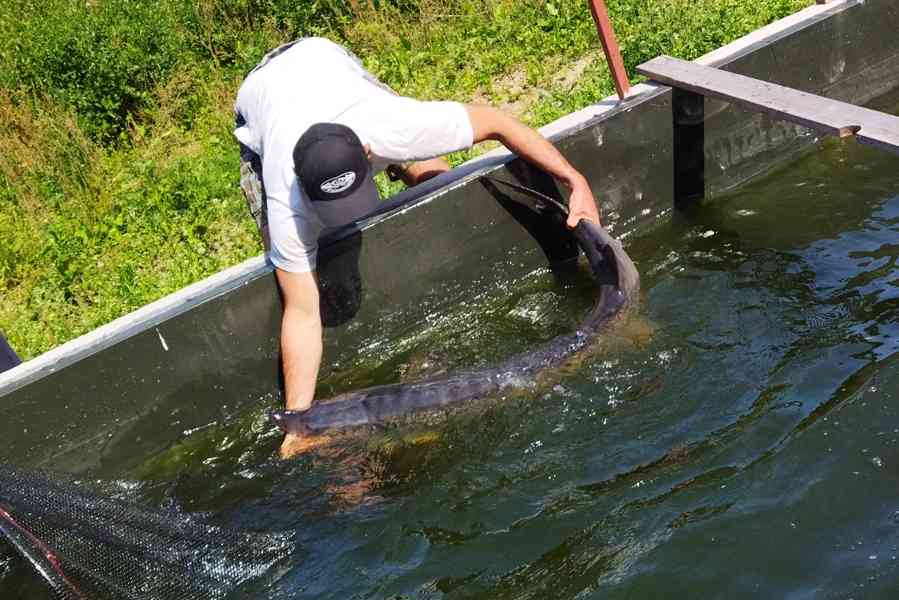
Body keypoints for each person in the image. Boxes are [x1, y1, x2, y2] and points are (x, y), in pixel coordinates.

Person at [233, 37, 601, 458]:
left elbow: (498, 123)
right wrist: (301, 422)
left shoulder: (392, 123)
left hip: (326, 63)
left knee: (431, 176)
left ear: (369, 152)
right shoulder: (286, 201)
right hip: (263, 98)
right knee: (292, 273)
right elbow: (301, 310)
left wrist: (576, 181)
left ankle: (409, 171)